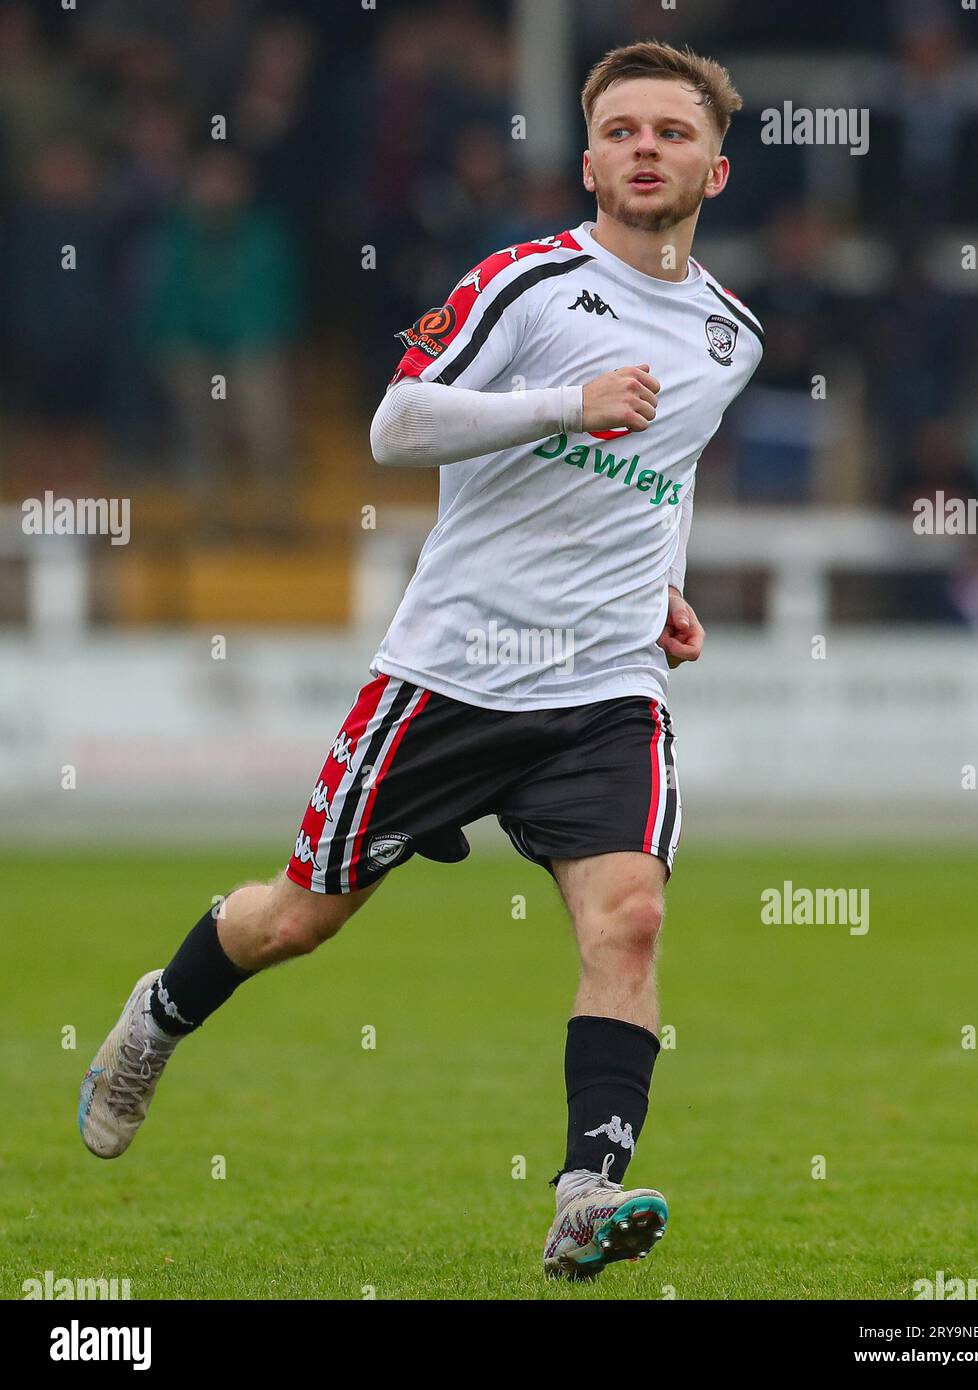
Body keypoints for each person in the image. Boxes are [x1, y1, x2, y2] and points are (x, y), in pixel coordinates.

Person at [79, 40, 763, 1284]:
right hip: (455, 668)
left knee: (633, 920)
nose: (645, 149)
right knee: (297, 918)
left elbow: (669, 472)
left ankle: (580, 1198)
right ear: (592, 155)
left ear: (715, 166)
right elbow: (396, 424)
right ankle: (152, 1021)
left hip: (602, 683)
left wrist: (667, 580)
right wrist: (563, 404)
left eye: (670, 131)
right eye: (621, 131)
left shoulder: (731, 335)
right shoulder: (524, 283)